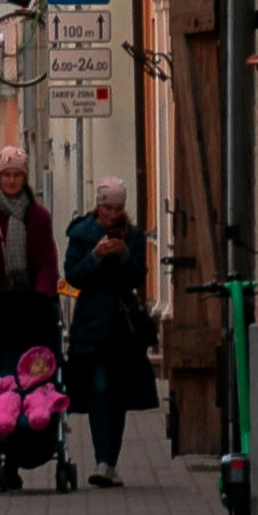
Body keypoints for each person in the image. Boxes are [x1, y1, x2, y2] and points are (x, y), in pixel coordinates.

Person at [62, 180, 154, 485]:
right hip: (91, 322)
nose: (112, 215)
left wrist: (124, 253)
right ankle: (102, 460)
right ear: (98, 205)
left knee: (118, 394)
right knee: (99, 389)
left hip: (122, 324)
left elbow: (138, 276)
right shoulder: (81, 234)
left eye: (117, 209)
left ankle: (110, 462)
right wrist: (96, 256)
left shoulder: (133, 235)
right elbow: (73, 276)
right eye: (107, 208)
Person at [0, 152, 60, 394]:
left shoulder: (38, 216)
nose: (12, 180)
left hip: (28, 303)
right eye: (6, 175)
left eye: (17, 175)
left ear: (24, 178)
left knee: (31, 370)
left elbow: (47, 262)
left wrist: (41, 299)